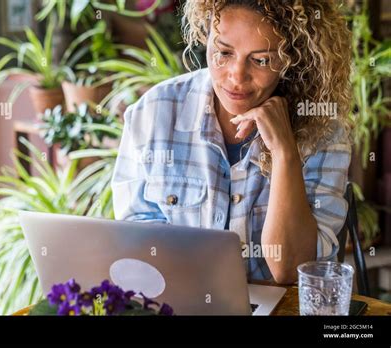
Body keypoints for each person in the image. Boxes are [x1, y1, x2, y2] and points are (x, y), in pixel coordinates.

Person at [111, 0, 352, 284]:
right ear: (206, 36)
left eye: (261, 59)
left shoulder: (323, 130)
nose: (236, 76)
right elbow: (137, 248)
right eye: (224, 52)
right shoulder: (152, 113)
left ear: (293, 58)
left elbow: (292, 270)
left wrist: (284, 153)